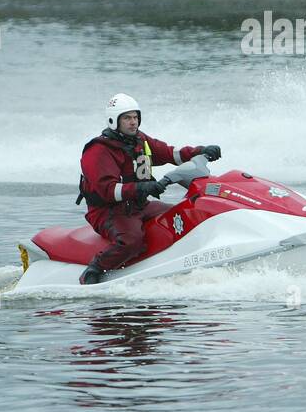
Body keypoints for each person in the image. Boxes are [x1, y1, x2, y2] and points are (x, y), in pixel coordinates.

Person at [76, 93, 221, 284]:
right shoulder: (98, 150)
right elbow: (107, 190)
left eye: (135, 117)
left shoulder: (140, 140)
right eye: (127, 118)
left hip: (138, 205)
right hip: (109, 212)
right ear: (114, 120)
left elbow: (170, 153)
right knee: (131, 241)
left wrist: (200, 151)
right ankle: (93, 271)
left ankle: (182, 261)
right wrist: (144, 187)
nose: (133, 122)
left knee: (181, 215)